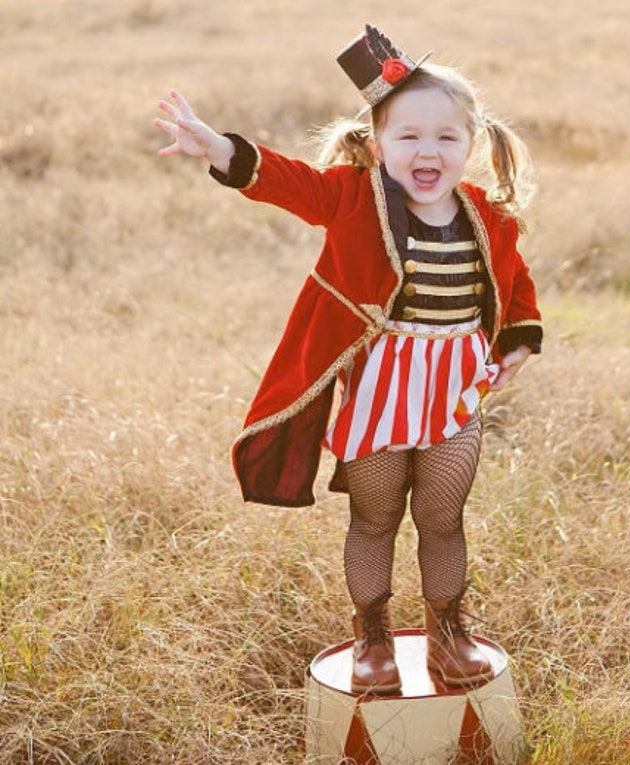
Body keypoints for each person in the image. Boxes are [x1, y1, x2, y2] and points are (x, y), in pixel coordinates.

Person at [154, 24, 543, 695]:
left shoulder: (488, 214)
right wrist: (217, 146)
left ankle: (449, 633)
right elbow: (289, 181)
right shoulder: (354, 197)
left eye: (446, 138)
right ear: (378, 143)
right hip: (380, 395)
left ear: (471, 145)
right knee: (375, 515)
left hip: (453, 393)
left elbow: (513, 280)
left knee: (444, 517)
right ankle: (372, 637)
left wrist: (520, 340)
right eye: (408, 137)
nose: (428, 151)